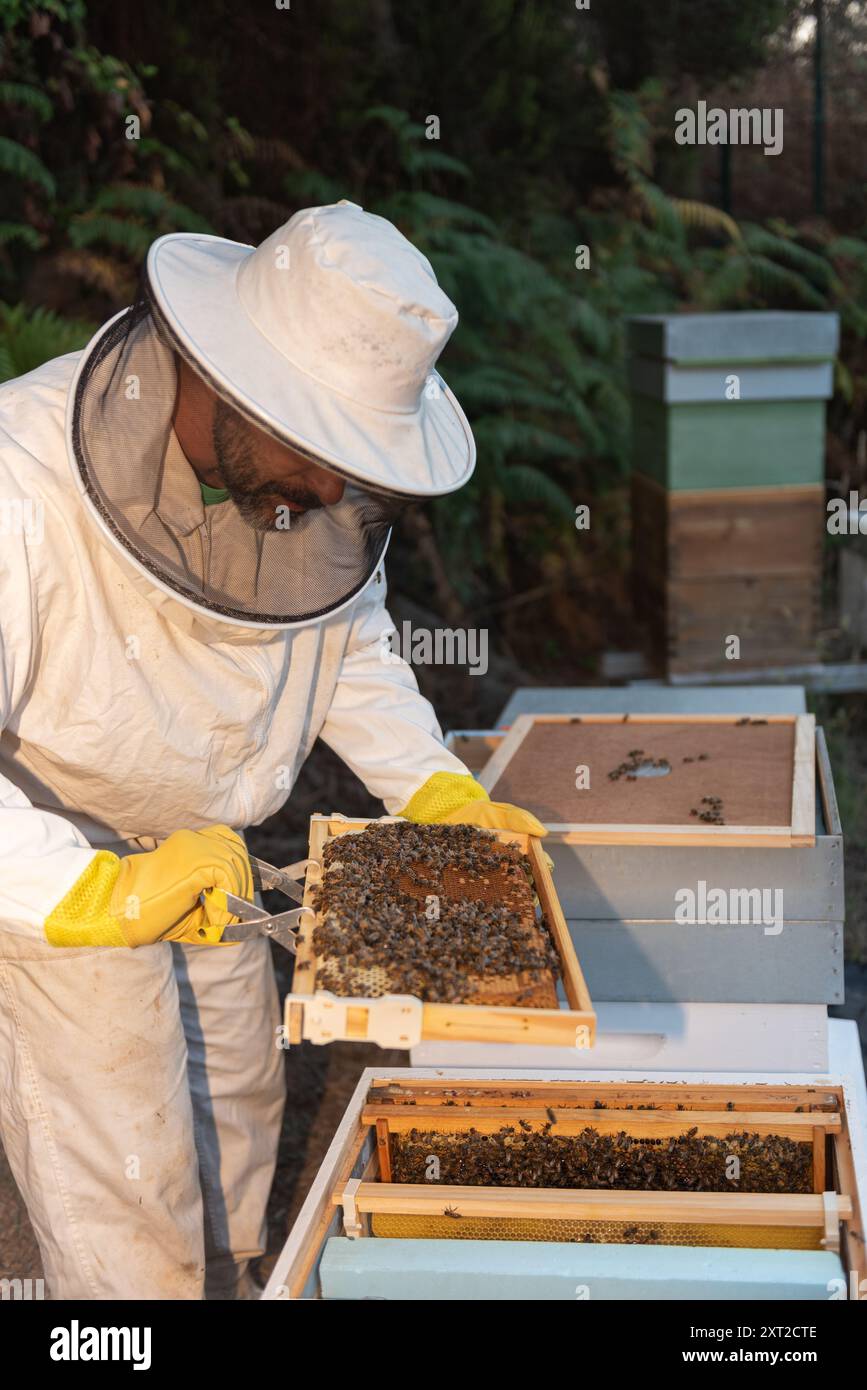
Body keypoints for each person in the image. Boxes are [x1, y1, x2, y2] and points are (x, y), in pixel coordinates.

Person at [0, 201, 544, 1299]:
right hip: (51, 869)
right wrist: (90, 893)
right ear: (226, 377)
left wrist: (431, 784)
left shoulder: (313, 496)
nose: (337, 489)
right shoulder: (17, 482)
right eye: (320, 447)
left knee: (237, 1113)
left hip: (213, 857)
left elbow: (348, 646)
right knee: (130, 1186)